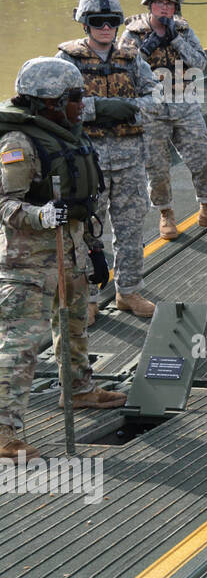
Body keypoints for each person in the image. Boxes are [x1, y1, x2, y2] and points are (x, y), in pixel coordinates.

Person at [0, 58, 128, 459]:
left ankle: (79, 390)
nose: (81, 104)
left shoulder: (66, 135)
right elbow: (3, 203)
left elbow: (82, 202)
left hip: (69, 248)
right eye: (74, 98)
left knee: (73, 325)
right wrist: (37, 215)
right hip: (29, 261)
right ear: (48, 103)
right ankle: (4, 430)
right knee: (20, 343)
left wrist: (93, 246)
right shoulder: (19, 144)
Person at [56, 0, 162, 319]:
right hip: (88, 164)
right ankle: (87, 297)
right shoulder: (66, 61)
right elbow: (57, 107)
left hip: (130, 160)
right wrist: (98, 109)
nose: (105, 28)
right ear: (85, 24)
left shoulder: (132, 59)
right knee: (86, 230)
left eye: (111, 21)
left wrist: (125, 108)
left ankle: (128, 291)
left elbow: (156, 102)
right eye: (96, 22)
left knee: (131, 228)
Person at [121, 0, 207, 241]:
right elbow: (123, 73)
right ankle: (166, 214)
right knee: (157, 166)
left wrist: (175, 40)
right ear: (150, 5)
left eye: (170, 4)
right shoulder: (132, 34)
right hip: (151, 109)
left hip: (185, 103)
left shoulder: (183, 31)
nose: (164, 8)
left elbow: (200, 62)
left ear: (175, 8)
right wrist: (146, 49)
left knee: (203, 155)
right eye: (159, 3)